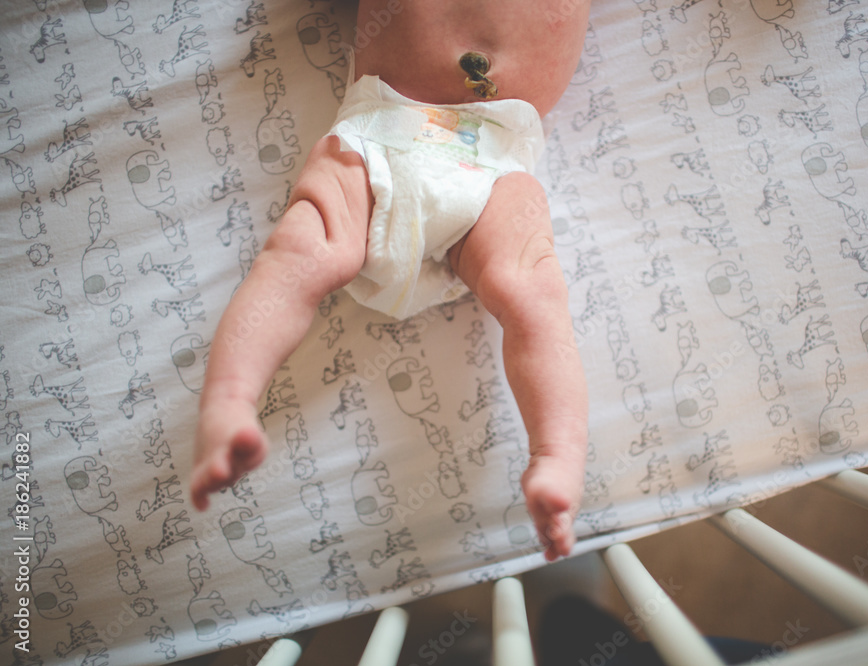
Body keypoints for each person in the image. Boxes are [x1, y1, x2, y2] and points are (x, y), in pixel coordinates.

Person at [190, 0, 591, 561]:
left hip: (495, 159)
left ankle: (557, 456)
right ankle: (229, 401)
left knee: (534, 296)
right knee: (299, 253)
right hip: (380, 134)